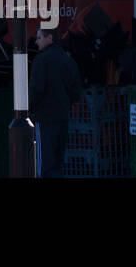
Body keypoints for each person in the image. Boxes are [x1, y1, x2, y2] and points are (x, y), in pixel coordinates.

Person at [30, 27, 83, 177]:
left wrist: (29, 109)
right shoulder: (68, 60)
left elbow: (36, 90)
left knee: (43, 164)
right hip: (62, 117)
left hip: (44, 118)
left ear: (50, 38)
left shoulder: (41, 60)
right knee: (57, 163)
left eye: (39, 37)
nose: (36, 41)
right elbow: (76, 90)